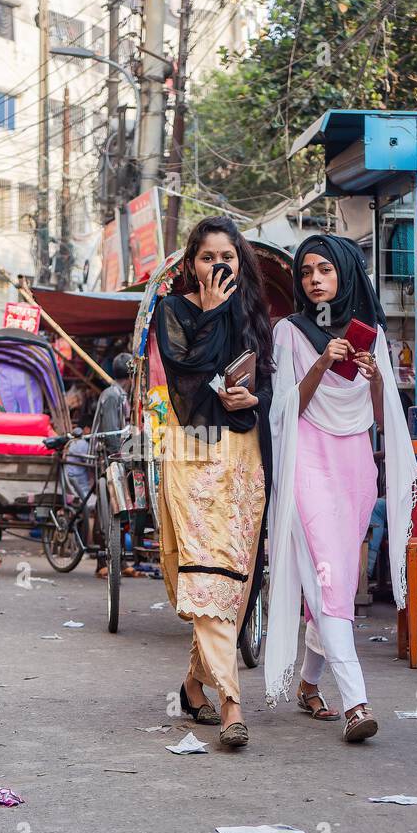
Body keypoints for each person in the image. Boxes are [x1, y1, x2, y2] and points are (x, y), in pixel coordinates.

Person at [263, 234, 417, 743]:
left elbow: (379, 416)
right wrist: (321, 363)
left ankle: (309, 684)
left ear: (346, 274)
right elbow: (285, 408)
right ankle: (357, 701)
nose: (314, 280)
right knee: (330, 581)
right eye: (307, 272)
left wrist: (374, 377)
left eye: (325, 270)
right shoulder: (288, 331)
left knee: (334, 579)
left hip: (354, 464)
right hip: (307, 458)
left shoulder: (371, 336)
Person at [153, 215, 274, 748]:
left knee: (232, 577)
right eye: (208, 257)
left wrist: (253, 399)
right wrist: (210, 311)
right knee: (205, 576)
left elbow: (267, 385)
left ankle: (192, 687)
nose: (218, 266)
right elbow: (183, 378)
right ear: (191, 264)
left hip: (242, 456)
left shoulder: (253, 316)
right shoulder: (174, 311)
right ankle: (231, 704)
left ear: (240, 263)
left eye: (227, 258)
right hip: (191, 454)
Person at [93, 352, 134, 578]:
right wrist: (119, 457)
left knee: (122, 510)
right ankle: (102, 560)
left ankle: (122, 561)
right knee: (105, 511)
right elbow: (111, 434)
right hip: (106, 460)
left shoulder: (122, 395)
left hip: (118, 459)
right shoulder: (112, 395)